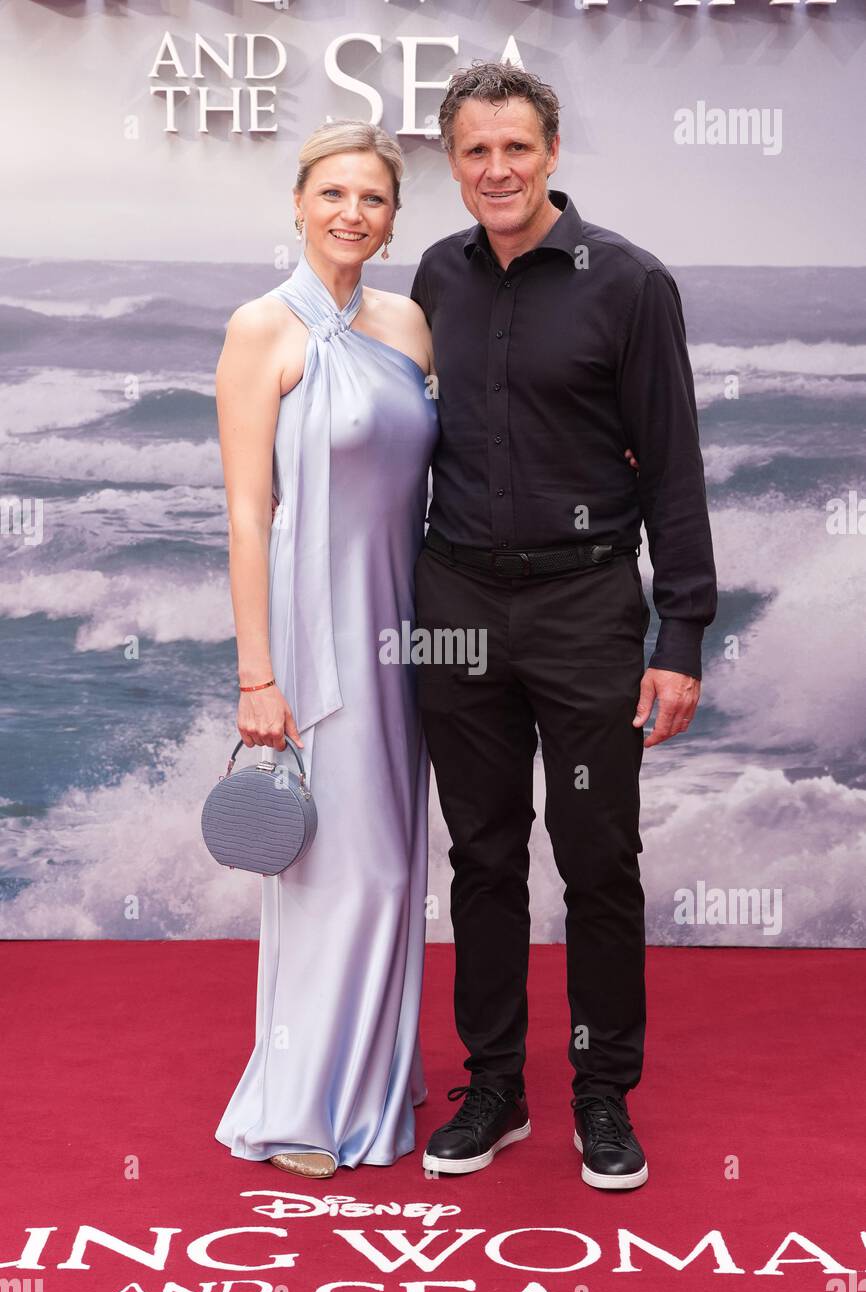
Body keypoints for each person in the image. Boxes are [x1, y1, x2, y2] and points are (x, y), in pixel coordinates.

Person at [410, 63, 717, 1189]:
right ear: (451, 162)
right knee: (480, 856)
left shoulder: (628, 283)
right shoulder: (434, 273)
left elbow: (673, 466)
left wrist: (678, 635)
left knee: (596, 860)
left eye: (516, 149)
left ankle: (601, 1094)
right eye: (474, 152)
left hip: (585, 606)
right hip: (455, 603)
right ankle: (494, 1087)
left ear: (551, 155)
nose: (495, 169)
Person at [213, 121, 438, 1178]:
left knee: (394, 866)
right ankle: (303, 1098)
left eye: (374, 198)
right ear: (298, 203)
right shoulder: (261, 328)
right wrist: (258, 675)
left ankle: (375, 1085)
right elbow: (248, 514)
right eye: (334, 193)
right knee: (330, 870)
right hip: (313, 632)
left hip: (404, 630)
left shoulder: (409, 324)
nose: (353, 212)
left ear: (394, 220)